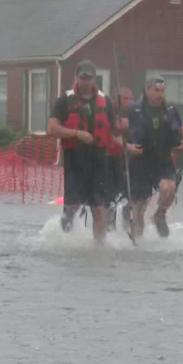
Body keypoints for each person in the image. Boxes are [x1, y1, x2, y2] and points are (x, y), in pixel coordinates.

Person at [47, 60, 119, 243]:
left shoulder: (106, 101)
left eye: (90, 78)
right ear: (76, 78)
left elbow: (114, 133)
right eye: (83, 77)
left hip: (99, 161)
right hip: (75, 161)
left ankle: (99, 248)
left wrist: (128, 147)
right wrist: (76, 133)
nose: (86, 81)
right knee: (71, 208)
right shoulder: (64, 101)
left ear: (95, 79)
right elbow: (51, 129)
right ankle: (63, 241)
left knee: (99, 207)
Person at [125, 75, 183, 238]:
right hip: (140, 161)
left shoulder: (170, 110)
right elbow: (119, 135)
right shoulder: (134, 110)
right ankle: (137, 243)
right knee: (138, 208)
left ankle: (159, 215)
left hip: (162, 158)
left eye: (162, 91)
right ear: (147, 90)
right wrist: (128, 147)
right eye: (156, 90)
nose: (160, 94)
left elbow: (180, 130)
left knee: (169, 188)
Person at [105, 87, 134, 231]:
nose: (129, 102)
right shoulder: (111, 113)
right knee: (111, 196)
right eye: (126, 99)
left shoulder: (134, 114)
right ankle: (109, 227)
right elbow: (113, 132)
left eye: (131, 99)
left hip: (126, 160)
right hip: (110, 159)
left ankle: (127, 226)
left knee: (128, 195)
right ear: (118, 100)